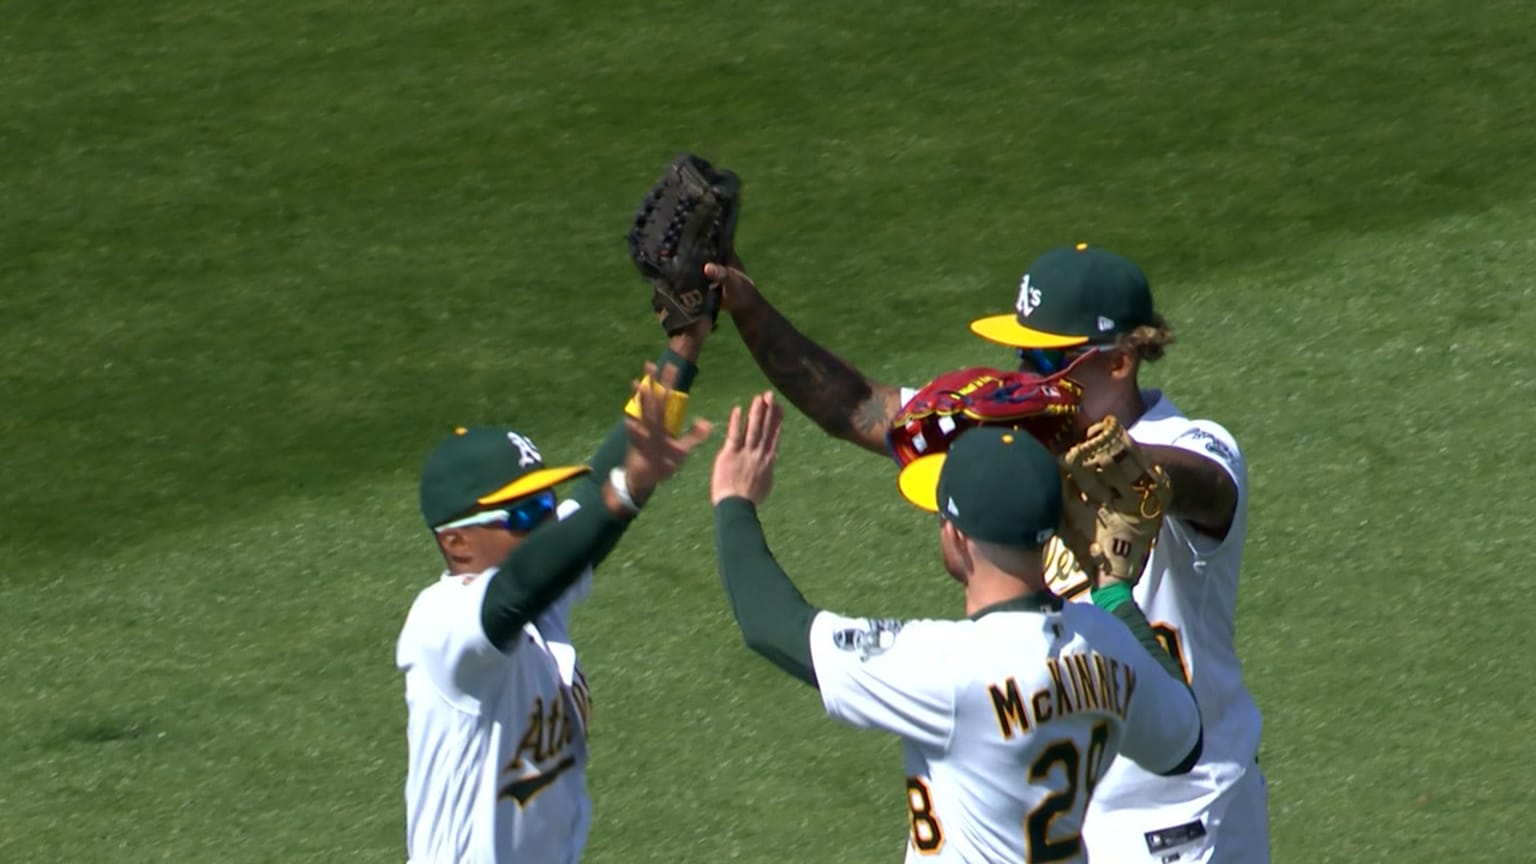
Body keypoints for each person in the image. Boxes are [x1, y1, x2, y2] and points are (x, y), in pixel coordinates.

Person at [705, 245, 1268, 863]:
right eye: (1021, 354)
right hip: (1074, 813)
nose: (1028, 375)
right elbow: (857, 407)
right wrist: (747, 306)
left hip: (1183, 819)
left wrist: (1101, 456)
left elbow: (1203, 485)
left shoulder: (1191, 444)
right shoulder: (1016, 437)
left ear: (1119, 362)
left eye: (1047, 359)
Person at [711, 392, 1203, 862]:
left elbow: (769, 623)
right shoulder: (1106, 644)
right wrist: (1112, 589)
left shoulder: (947, 668)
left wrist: (734, 500)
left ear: (957, 537)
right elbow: (1183, 744)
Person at [396, 324, 713, 864]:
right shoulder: (443, 623)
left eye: (545, 505)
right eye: (522, 514)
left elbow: (595, 489)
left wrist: (685, 344)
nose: (545, 524)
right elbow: (520, 587)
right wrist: (624, 497)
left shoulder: (536, 597)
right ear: (458, 544)